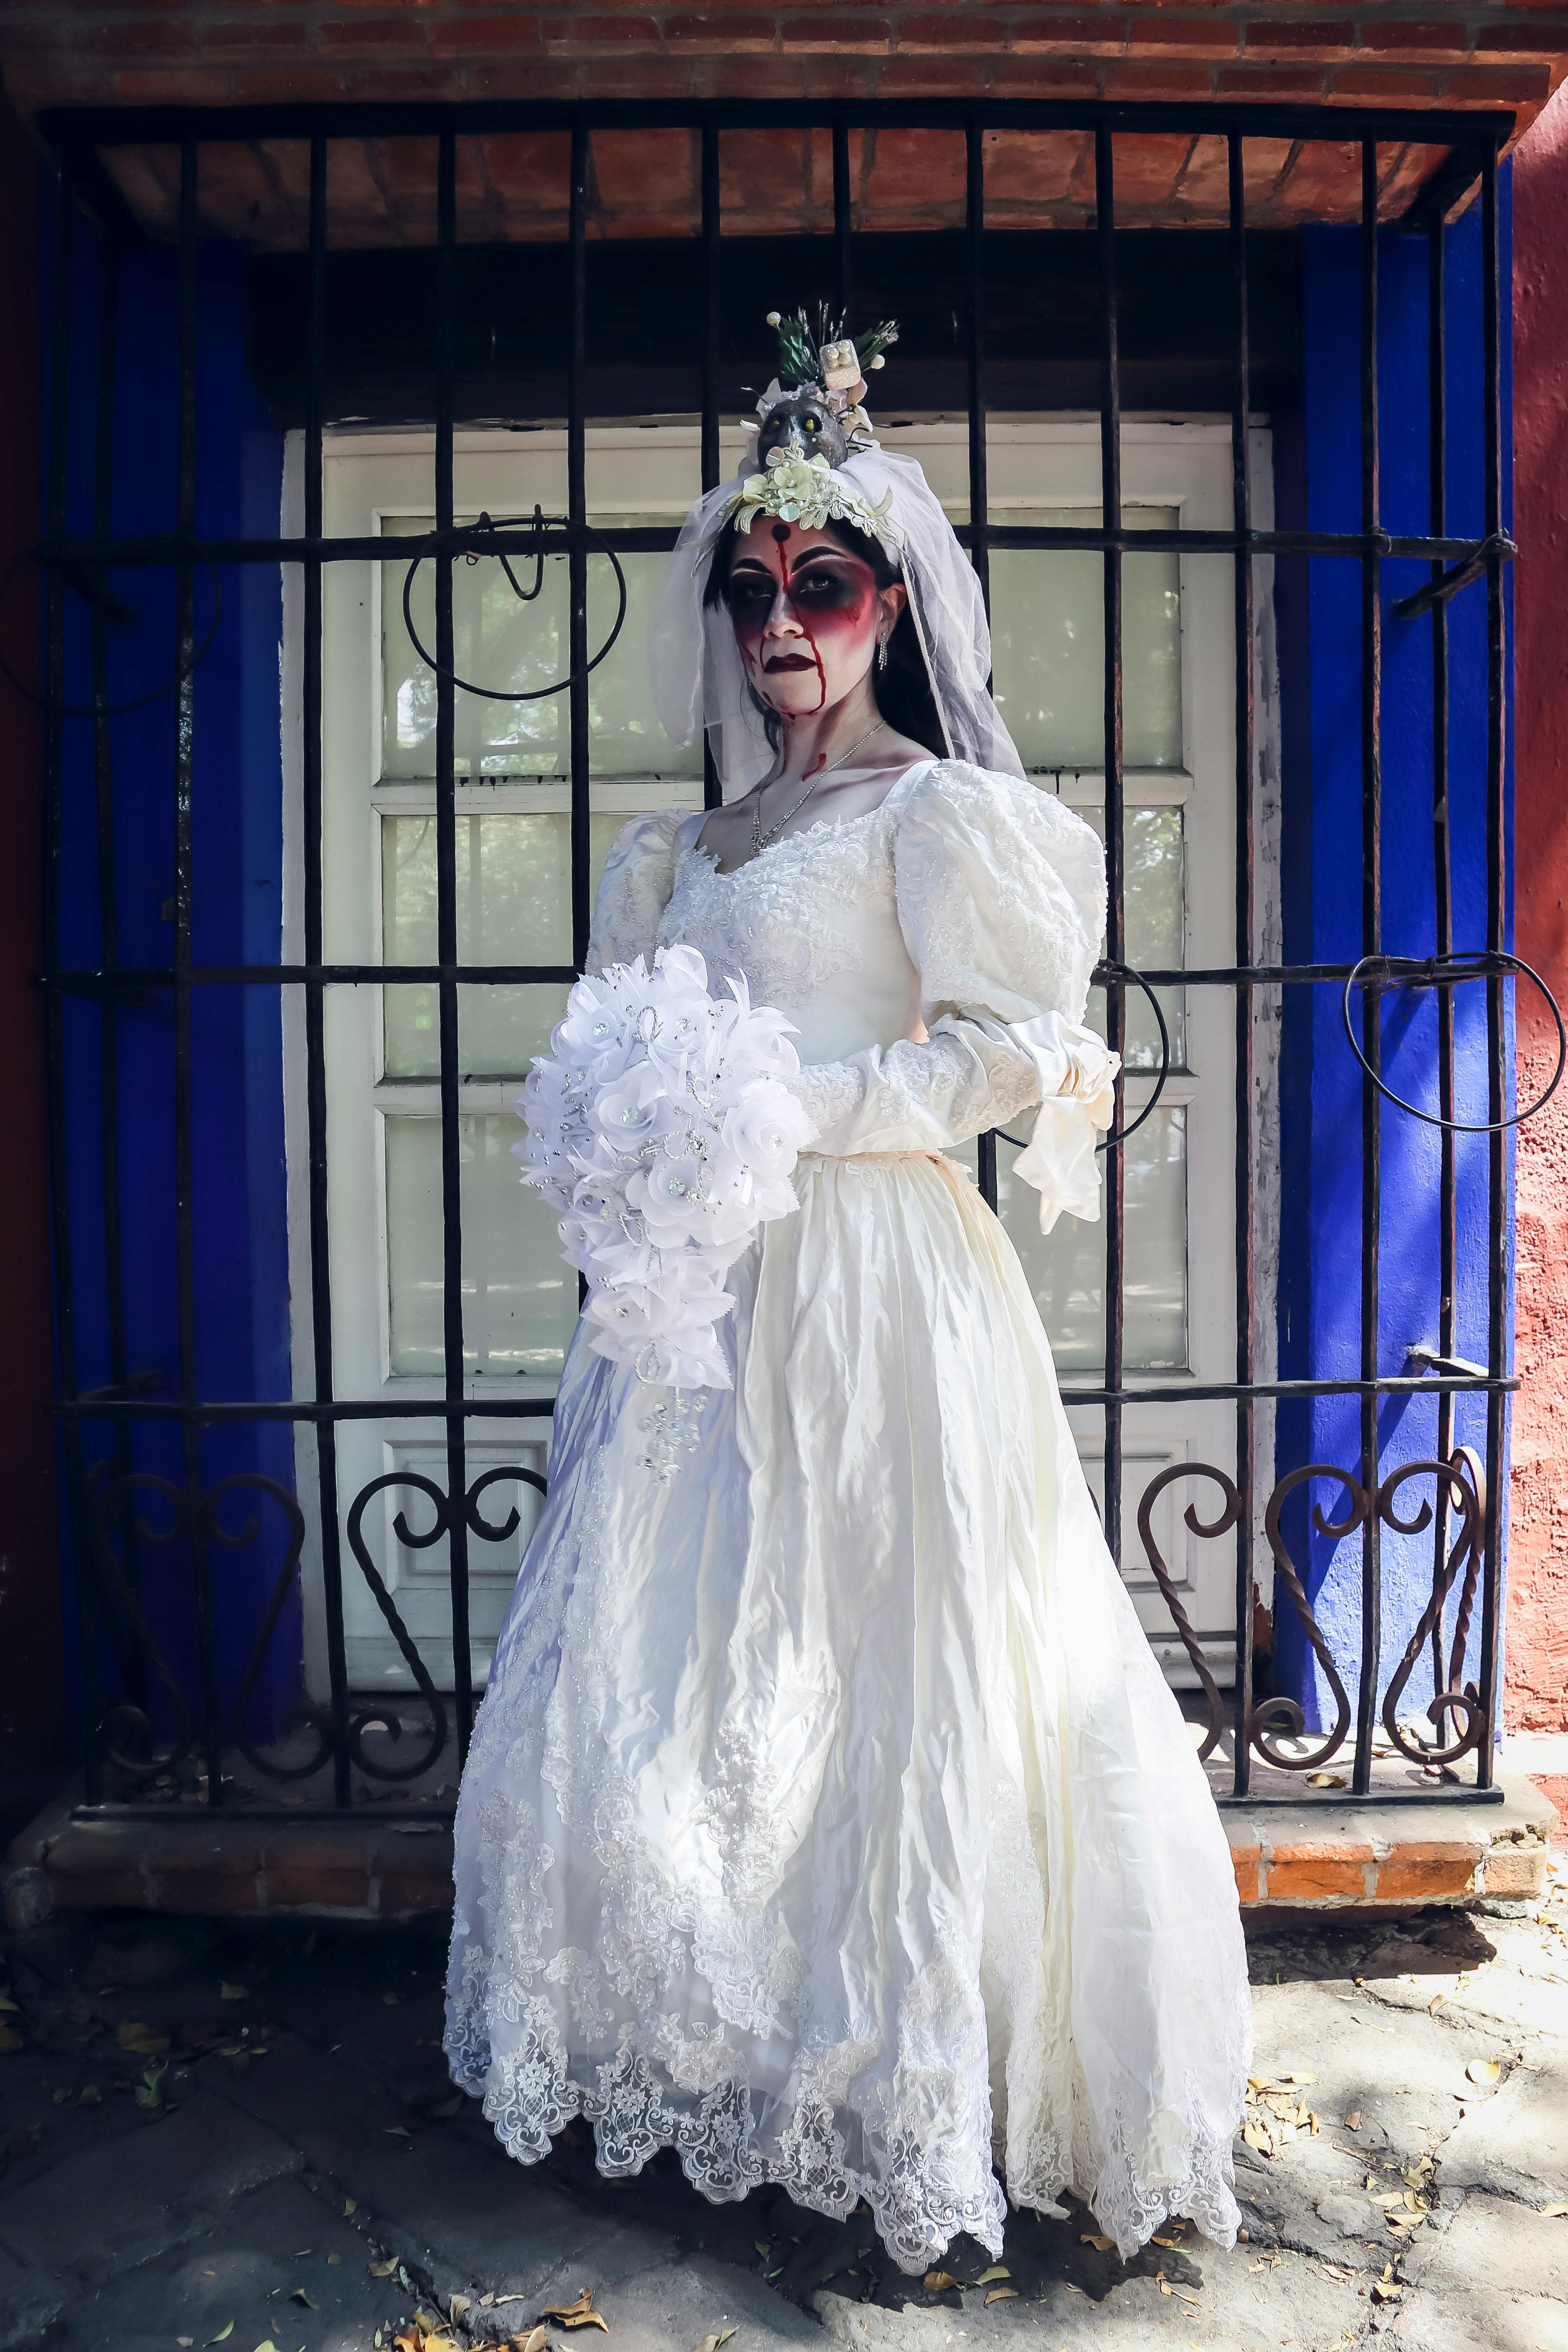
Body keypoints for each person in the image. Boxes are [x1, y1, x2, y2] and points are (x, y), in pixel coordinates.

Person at [444, 313, 1251, 2274]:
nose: (778, 623)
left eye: (819, 584)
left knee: (896, 1662)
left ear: (886, 601)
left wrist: (789, 1106)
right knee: (707, 1659)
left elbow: (1019, 1056)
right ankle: (720, 2050)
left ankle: (921, 2085)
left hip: (880, 1283)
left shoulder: (930, 817)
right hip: (706, 1314)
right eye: (752, 590)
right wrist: (643, 1143)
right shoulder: (689, 848)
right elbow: (639, 1052)